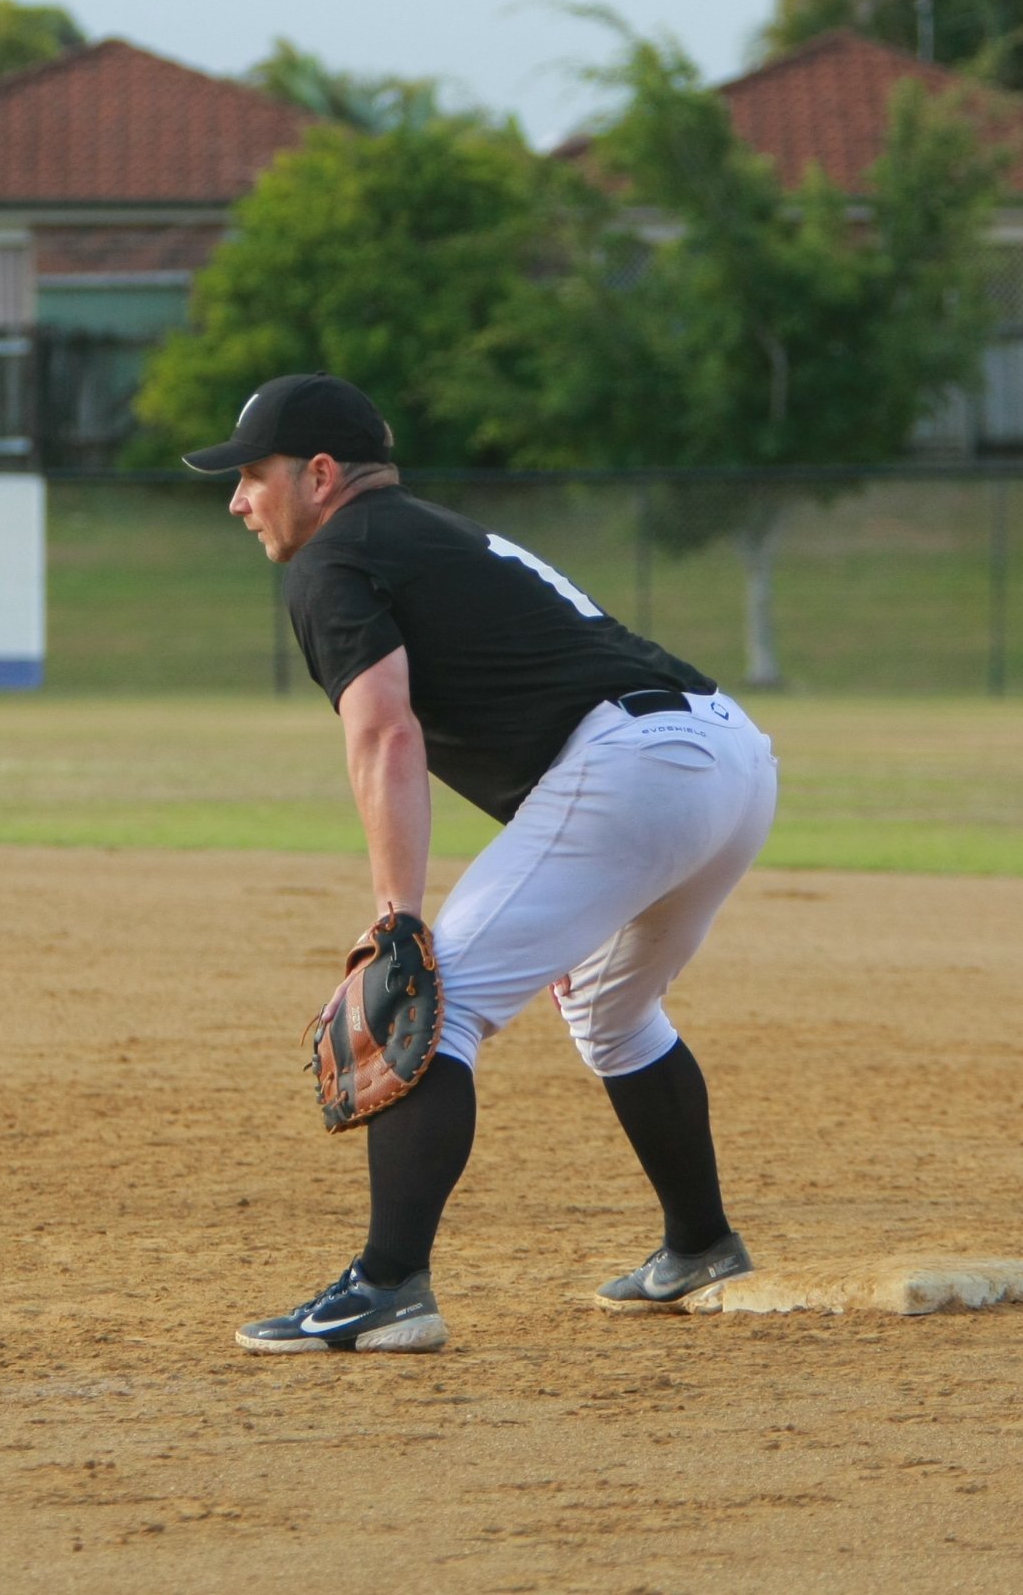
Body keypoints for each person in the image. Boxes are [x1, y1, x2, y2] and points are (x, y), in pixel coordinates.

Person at [186, 375, 778, 1353]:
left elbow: (383, 735)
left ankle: (386, 1287)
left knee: (431, 999)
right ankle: (700, 1245)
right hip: (727, 758)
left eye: (253, 474)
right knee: (608, 1007)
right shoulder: (418, 533)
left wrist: (396, 916)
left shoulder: (333, 559)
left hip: (638, 769)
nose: (237, 499)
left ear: (320, 475)